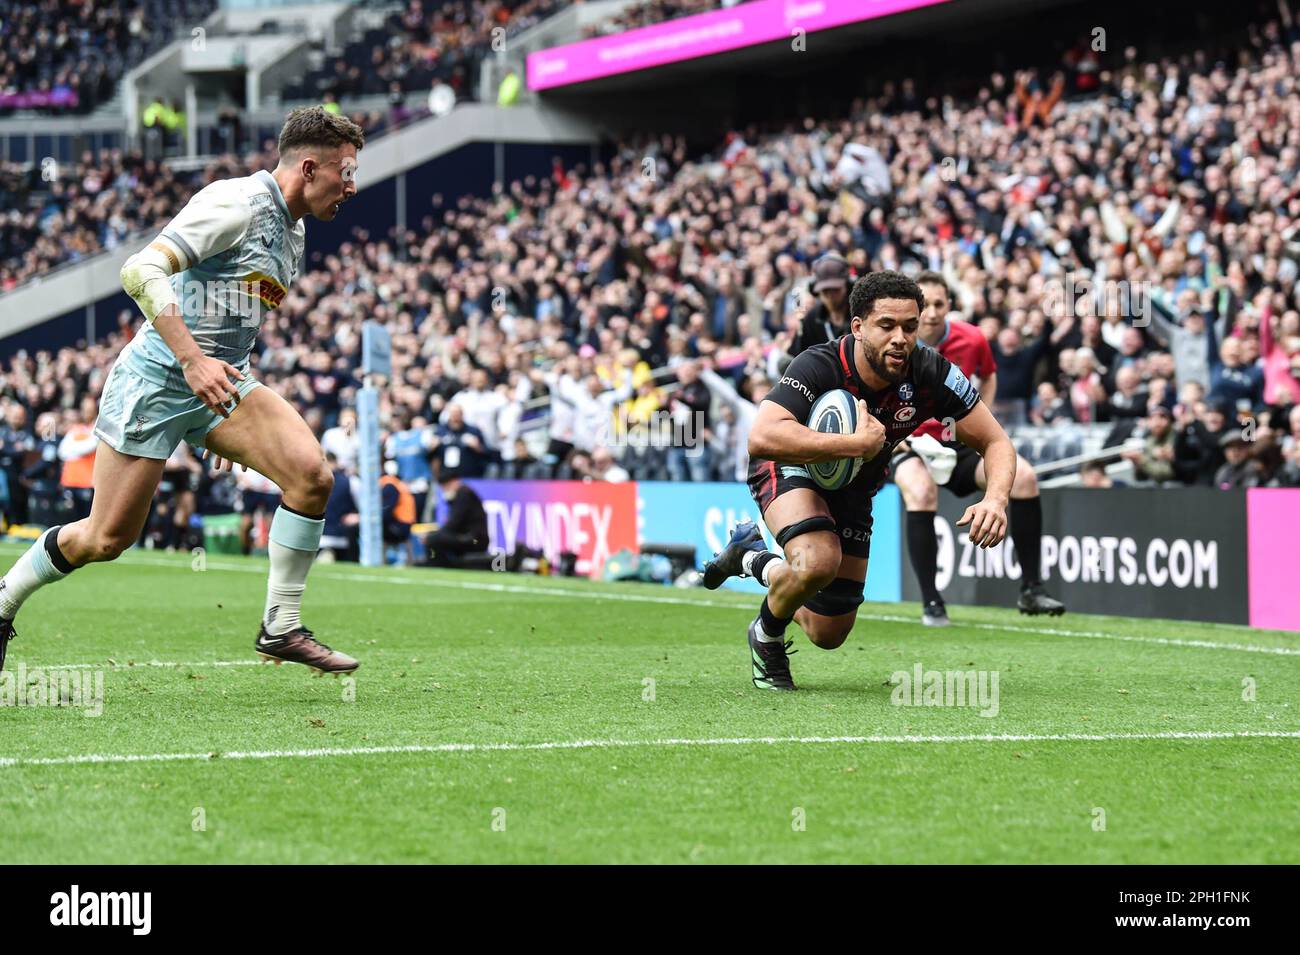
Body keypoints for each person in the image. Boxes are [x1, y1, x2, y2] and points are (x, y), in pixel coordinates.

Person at [0, 106, 365, 675]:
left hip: (219, 382)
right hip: (157, 379)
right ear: (310, 167)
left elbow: (235, 318)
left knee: (311, 475)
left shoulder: (293, 232)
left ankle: (281, 626)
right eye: (346, 172)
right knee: (104, 538)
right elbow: (140, 270)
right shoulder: (235, 204)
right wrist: (194, 363)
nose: (352, 185)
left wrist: (220, 417)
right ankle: (3, 601)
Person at [703, 271, 1018, 691]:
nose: (901, 338)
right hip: (789, 464)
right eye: (886, 326)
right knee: (818, 561)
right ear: (858, 326)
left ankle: (752, 557)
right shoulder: (819, 363)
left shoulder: (931, 373)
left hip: (853, 486)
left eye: (910, 326)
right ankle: (766, 636)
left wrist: (995, 500)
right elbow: (763, 437)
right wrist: (851, 443)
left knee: (826, 632)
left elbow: (995, 440)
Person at [892, 273, 1063, 626]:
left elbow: (989, 374)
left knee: (1025, 479)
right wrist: (899, 436)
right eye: (927, 305)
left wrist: (979, 418)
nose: (933, 313)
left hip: (959, 443)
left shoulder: (972, 339)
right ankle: (932, 601)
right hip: (909, 443)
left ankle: (1031, 588)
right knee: (921, 492)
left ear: (950, 306)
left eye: (941, 304)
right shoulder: (895, 344)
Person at [788, 253, 853, 356]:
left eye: (835, 290)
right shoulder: (812, 318)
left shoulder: (860, 313)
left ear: (848, 286)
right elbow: (795, 355)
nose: (831, 296)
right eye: (825, 291)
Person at [424, 470, 489, 569]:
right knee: (434, 537)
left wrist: (434, 535)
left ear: (455, 481)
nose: (445, 490)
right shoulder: (461, 494)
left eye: (447, 486)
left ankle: (441, 566)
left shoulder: (464, 494)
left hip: (474, 540)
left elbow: (454, 522)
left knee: (433, 539)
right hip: (466, 537)